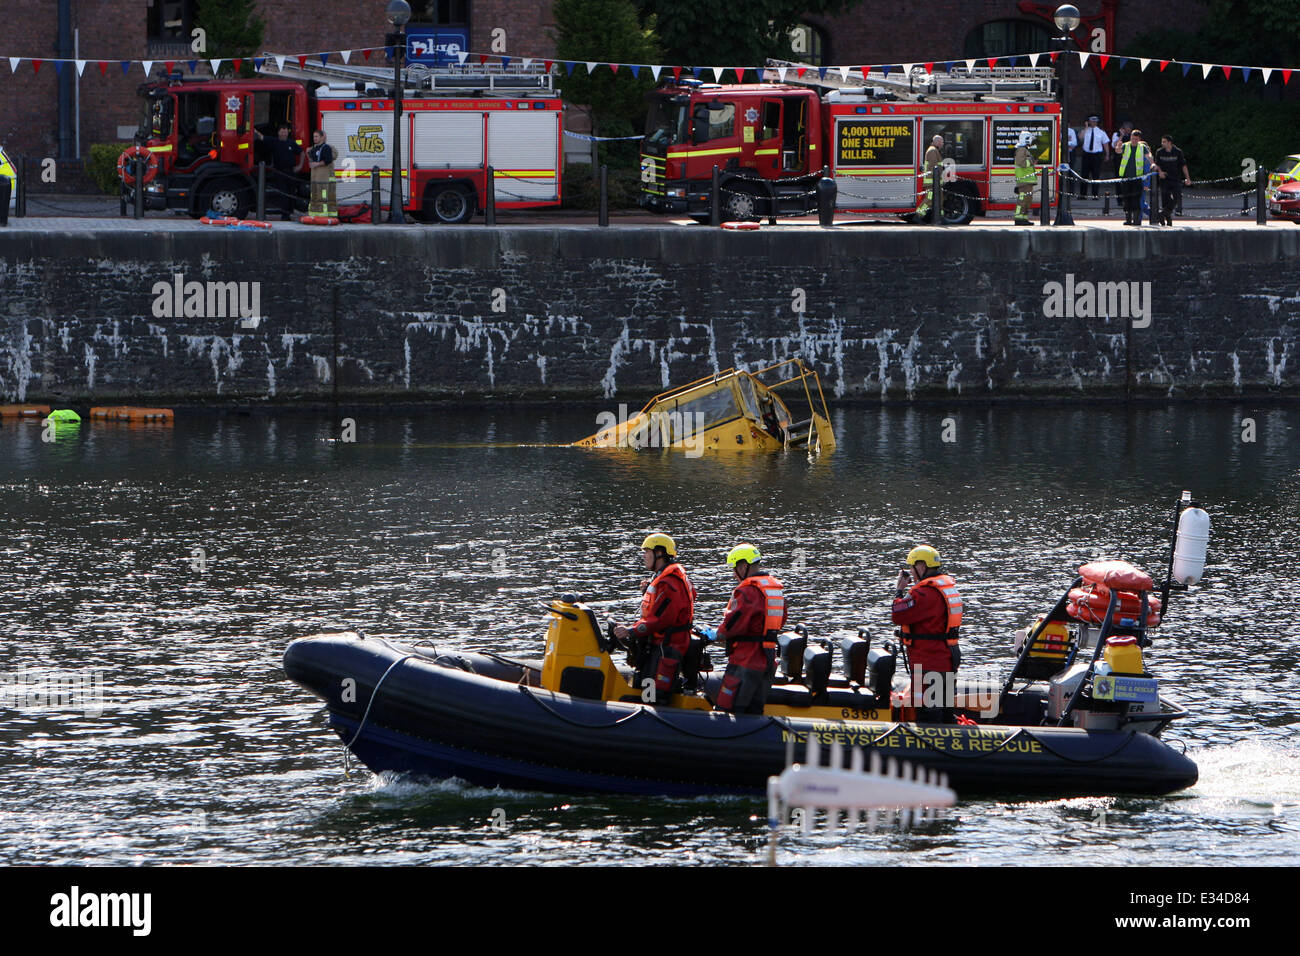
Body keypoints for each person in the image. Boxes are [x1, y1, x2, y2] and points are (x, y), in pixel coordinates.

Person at [613, 532, 696, 702]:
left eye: (647, 551)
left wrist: (631, 630)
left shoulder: (669, 583)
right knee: (645, 684)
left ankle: (652, 714)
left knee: (652, 695)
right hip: (658, 644)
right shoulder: (663, 578)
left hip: (666, 647)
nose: (644, 556)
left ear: (659, 553)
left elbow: (661, 619)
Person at [891, 545, 962, 724]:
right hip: (947, 657)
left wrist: (899, 590)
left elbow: (898, 614)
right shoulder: (946, 588)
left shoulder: (923, 594)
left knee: (928, 714)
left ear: (921, 566)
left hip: (930, 661)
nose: (911, 573)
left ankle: (931, 748)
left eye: (912, 568)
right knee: (944, 711)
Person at [712, 544, 785, 715]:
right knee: (754, 711)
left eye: (734, 569)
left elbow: (733, 624)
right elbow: (781, 620)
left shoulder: (747, 591)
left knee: (729, 708)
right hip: (768, 659)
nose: (733, 574)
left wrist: (716, 634)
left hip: (746, 659)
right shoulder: (774, 589)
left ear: (743, 566)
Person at [1117, 128, 1154, 226]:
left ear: (1139, 139)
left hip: (1137, 178)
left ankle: (1137, 221)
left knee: (1136, 200)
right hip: (1126, 177)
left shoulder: (1142, 147)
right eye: (1132, 138)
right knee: (1126, 200)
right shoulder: (1126, 145)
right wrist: (1118, 146)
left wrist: (1153, 164)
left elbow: (1148, 156)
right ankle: (1128, 220)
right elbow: (1118, 151)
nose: (1133, 141)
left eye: (1136, 139)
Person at [1154, 134, 1191, 225]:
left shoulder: (1178, 152)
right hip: (1164, 179)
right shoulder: (1159, 152)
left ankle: (1162, 214)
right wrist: (1160, 172)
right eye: (1162, 142)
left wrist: (1187, 178)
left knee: (1177, 197)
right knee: (1165, 200)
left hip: (1176, 178)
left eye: (1164, 142)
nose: (1162, 143)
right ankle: (1167, 220)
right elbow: (1156, 164)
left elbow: (1183, 165)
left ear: (1169, 142)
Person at [307, 129, 337, 219]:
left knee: (324, 196)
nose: (314, 138)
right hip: (315, 178)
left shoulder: (327, 148)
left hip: (324, 178)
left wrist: (317, 164)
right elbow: (312, 160)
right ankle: (314, 213)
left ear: (322, 137)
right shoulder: (314, 149)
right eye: (314, 137)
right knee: (314, 195)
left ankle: (325, 214)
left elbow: (329, 159)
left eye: (317, 136)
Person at [914, 134, 945, 220]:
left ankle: (940, 217)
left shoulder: (935, 150)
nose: (943, 144)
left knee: (940, 199)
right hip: (932, 182)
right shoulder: (932, 151)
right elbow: (934, 168)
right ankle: (919, 215)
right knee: (929, 199)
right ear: (937, 142)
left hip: (935, 182)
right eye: (942, 142)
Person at [1078, 114, 1109, 199]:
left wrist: (1107, 154)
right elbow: (1080, 137)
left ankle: (1095, 194)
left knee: (1096, 175)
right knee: (1084, 175)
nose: (1093, 122)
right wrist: (1085, 127)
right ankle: (1083, 194)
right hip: (1086, 155)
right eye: (1092, 121)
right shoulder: (1085, 131)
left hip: (1096, 155)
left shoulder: (1101, 132)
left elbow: (1105, 143)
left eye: (1095, 121)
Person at [1013, 130, 1037, 225]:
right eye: (1030, 139)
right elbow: (1021, 163)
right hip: (1024, 181)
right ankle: (1019, 218)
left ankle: (1024, 218)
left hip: (1027, 181)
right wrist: (1031, 161)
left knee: (1027, 200)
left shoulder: (1024, 150)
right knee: (1023, 200)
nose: (1031, 141)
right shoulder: (1021, 150)